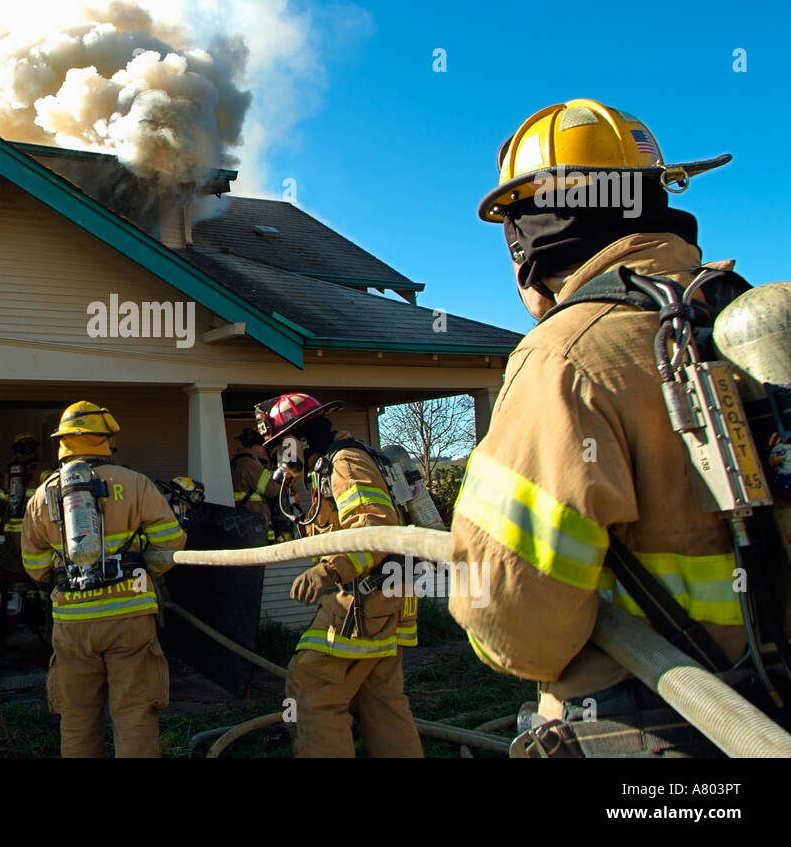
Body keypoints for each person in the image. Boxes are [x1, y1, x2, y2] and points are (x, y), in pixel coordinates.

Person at [449, 98, 757, 756]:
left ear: (529, 238)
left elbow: (514, 625)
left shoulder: (564, 358)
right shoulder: (750, 322)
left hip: (652, 727)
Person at [256, 392, 422, 758]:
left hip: (363, 598)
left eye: (280, 448)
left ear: (298, 440)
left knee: (310, 687)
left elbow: (373, 528)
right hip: (386, 596)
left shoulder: (343, 464)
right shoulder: (330, 466)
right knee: (379, 698)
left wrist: (328, 571)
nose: (280, 460)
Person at [20, 401, 186, 757]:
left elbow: (35, 567)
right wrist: (142, 570)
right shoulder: (135, 483)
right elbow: (171, 544)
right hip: (129, 619)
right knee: (134, 714)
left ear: (63, 443)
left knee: (77, 719)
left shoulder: (40, 497)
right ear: (106, 440)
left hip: (72, 624)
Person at [0, 433, 45, 634]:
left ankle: (35, 609)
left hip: (18, 533)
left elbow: (1, 502)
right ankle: (37, 609)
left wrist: (0, 528)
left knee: (27, 571)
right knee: (35, 571)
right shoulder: (43, 469)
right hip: (34, 531)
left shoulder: (10, 474)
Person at [230, 427, 284, 542]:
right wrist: (282, 475)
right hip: (255, 520)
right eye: (264, 446)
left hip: (247, 519)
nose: (266, 449)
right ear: (255, 447)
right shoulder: (249, 463)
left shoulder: (240, 461)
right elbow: (271, 490)